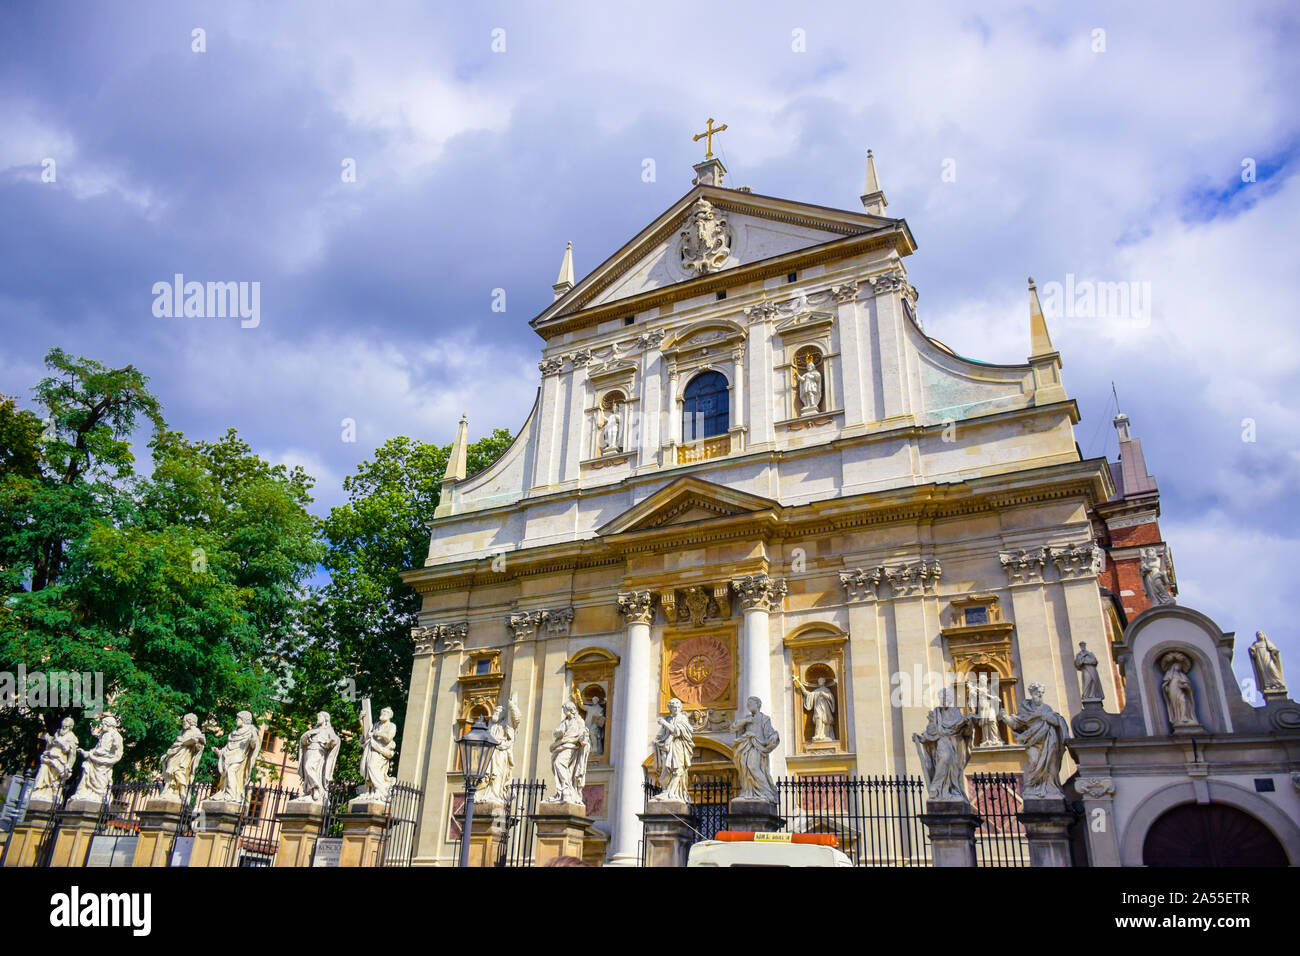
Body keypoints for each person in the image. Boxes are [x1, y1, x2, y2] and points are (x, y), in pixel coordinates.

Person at [730, 696, 779, 803]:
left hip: (758, 746)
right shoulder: (747, 719)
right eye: (748, 704)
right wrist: (746, 721)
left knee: (753, 767)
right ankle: (749, 791)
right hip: (746, 746)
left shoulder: (765, 719)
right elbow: (733, 727)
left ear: (758, 704)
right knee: (745, 767)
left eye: (751, 703)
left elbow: (769, 733)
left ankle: (766, 792)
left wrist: (773, 737)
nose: (748, 706)